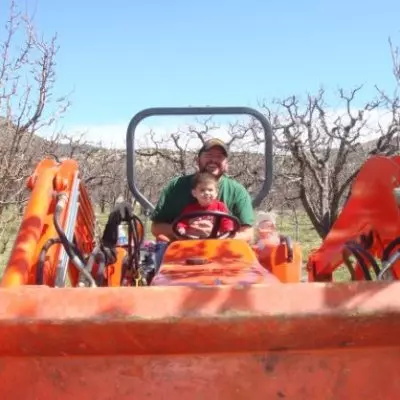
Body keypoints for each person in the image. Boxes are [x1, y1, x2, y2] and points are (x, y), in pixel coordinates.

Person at [151, 138, 255, 242]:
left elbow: (248, 233)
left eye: (219, 157)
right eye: (209, 155)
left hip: (222, 251)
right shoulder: (176, 186)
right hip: (184, 249)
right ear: (197, 160)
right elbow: (156, 227)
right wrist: (184, 231)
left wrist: (218, 235)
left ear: (226, 164)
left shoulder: (237, 191)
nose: (213, 160)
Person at [175, 171, 235, 237]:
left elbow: (227, 222)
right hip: (193, 241)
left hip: (215, 240)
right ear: (194, 193)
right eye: (202, 190)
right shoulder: (190, 209)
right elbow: (182, 222)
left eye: (210, 190)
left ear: (216, 193)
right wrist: (181, 228)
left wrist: (227, 230)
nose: (206, 193)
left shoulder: (220, 207)